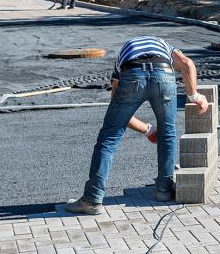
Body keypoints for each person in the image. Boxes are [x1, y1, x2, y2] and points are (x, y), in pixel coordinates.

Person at [66, 36, 209, 214]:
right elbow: (187, 64)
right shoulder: (165, 47)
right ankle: (164, 189)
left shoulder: (124, 54)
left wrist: (147, 130)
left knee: (109, 138)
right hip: (163, 76)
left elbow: (119, 113)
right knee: (168, 132)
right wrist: (195, 96)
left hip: (131, 73)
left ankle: (92, 199)